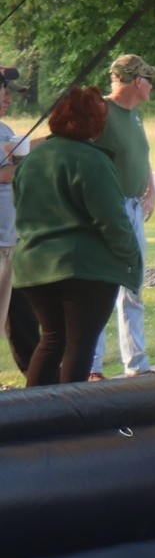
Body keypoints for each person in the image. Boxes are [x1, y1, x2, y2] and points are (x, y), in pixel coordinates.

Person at [11, 87, 141, 388]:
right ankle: (70, 415)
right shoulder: (92, 161)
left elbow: (22, 207)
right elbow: (112, 221)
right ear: (93, 122)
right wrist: (131, 258)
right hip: (83, 269)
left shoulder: (32, 159)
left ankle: (31, 415)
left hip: (34, 265)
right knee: (79, 344)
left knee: (52, 340)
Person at [91, 54, 155, 377]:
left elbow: (141, 155)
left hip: (132, 208)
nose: (152, 86)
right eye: (149, 79)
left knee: (133, 287)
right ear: (136, 81)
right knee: (101, 285)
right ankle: (92, 366)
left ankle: (137, 365)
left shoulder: (135, 117)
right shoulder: (101, 111)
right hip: (108, 209)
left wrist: (151, 190)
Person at [0, 66, 26, 363]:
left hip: (9, 240)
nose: (8, 99)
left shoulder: (6, 131)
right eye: (3, 91)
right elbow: (5, 175)